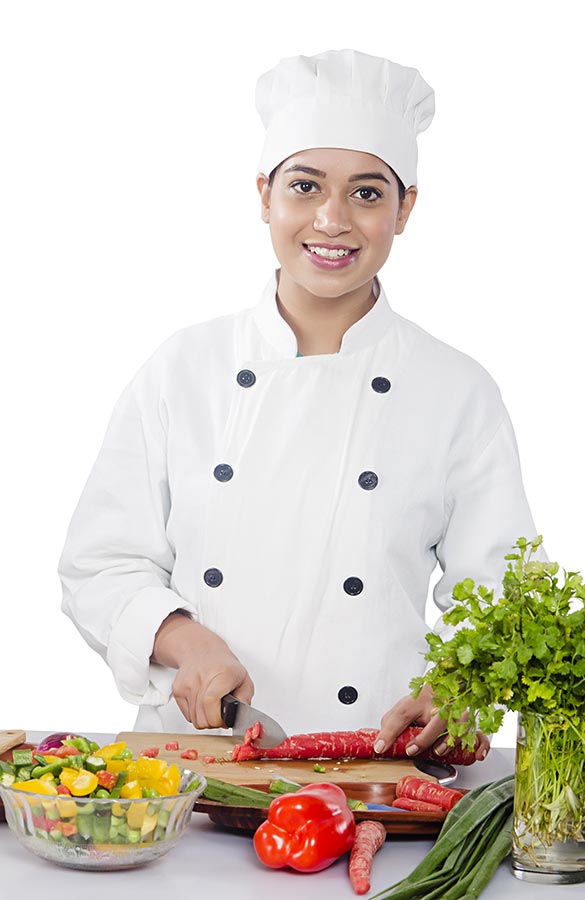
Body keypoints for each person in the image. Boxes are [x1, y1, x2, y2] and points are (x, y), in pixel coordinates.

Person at [58, 49, 540, 761]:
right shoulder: (183, 369)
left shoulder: (455, 391)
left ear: (406, 209)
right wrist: (184, 641)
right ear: (264, 196)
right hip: (193, 768)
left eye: (369, 194)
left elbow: (504, 590)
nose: (332, 219)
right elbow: (101, 563)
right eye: (305, 185)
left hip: (378, 768)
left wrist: (460, 681)